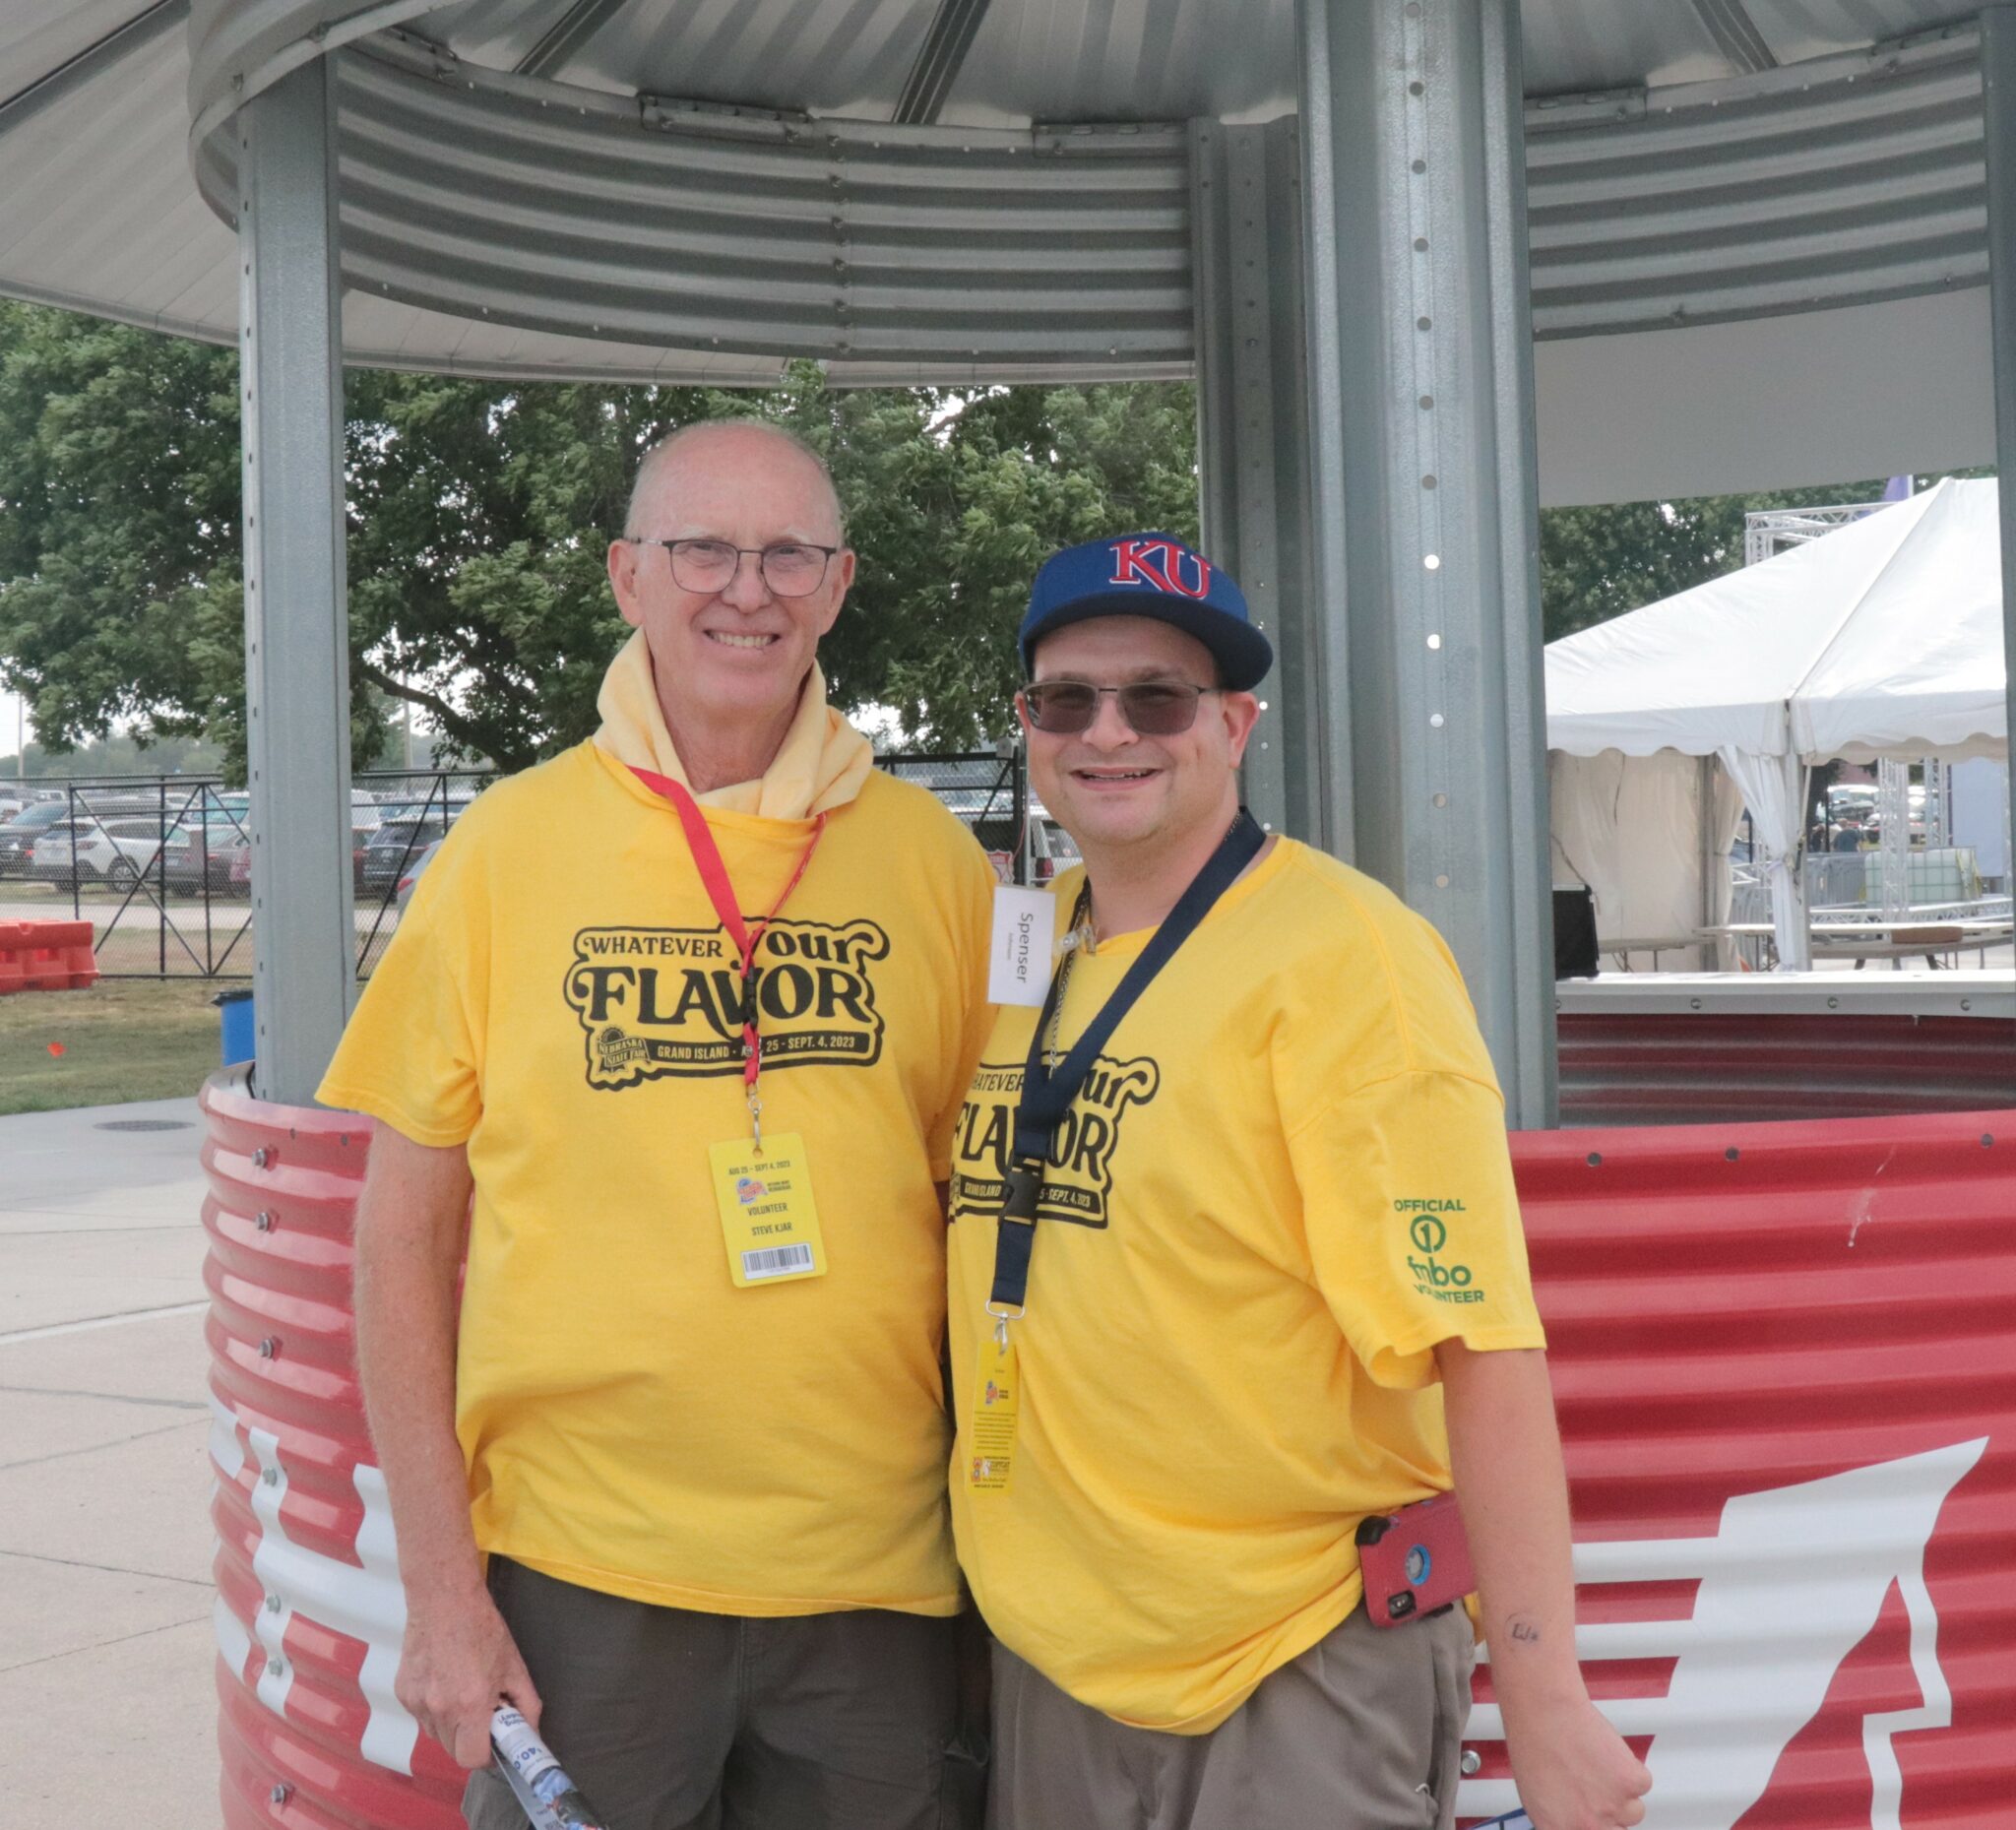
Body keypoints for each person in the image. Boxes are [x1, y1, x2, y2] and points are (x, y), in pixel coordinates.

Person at [320, 420, 996, 1829]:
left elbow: (988, 1233)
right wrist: (444, 1595)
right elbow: (396, 1245)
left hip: (877, 1586)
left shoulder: (935, 865)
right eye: (703, 547)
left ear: (841, 582)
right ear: (628, 576)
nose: (746, 590)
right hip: (583, 1592)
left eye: (789, 553)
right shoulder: (504, 851)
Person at [943, 533, 1654, 1830]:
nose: (1108, 731)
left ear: (1232, 724)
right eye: (1067, 699)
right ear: (1027, 724)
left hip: (1290, 1661)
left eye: (1155, 697)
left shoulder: (1350, 961)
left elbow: (1483, 1349)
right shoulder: (1031, 946)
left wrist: (1548, 1703)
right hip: (1058, 1665)